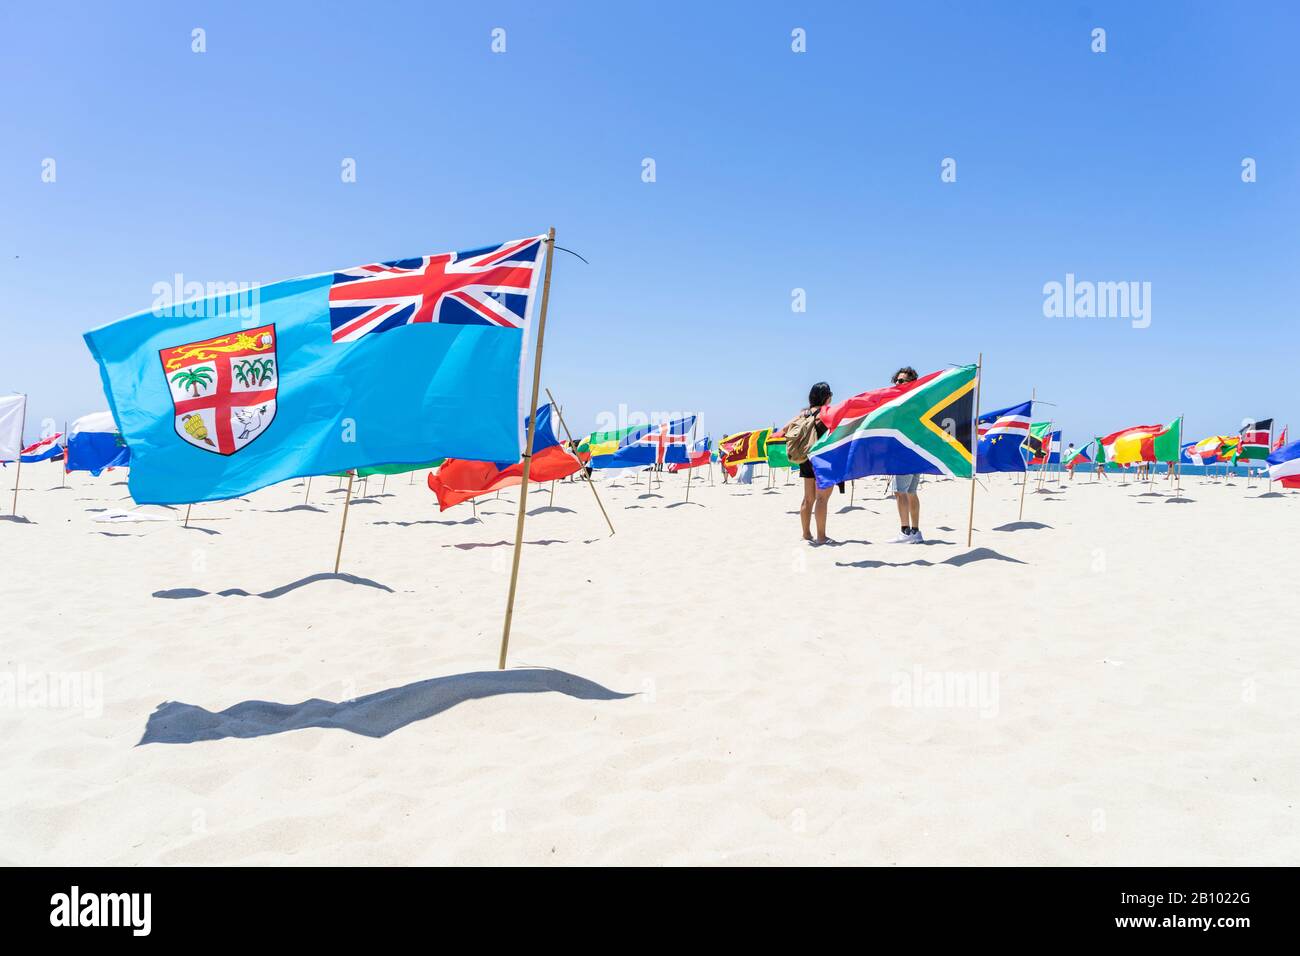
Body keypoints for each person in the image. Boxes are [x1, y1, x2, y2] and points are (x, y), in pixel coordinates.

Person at [889, 367, 923, 543]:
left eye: (901, 381)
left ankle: (905, 531)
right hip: (915, 452)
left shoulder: (907, 404)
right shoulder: (919, 402)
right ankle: (915, 532)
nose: (897, 384)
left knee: (900, 492)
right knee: (911, 492)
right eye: (896, 380)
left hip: (906, 452)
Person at [797, 382, 834, 544]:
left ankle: (806, 534)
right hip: (822, 458)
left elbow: (785, 429)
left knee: (808, 498)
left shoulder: (803, 413)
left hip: (806, 457)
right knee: (822, 498)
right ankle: (821, 536)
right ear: (826, 396)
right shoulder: (827, 412)